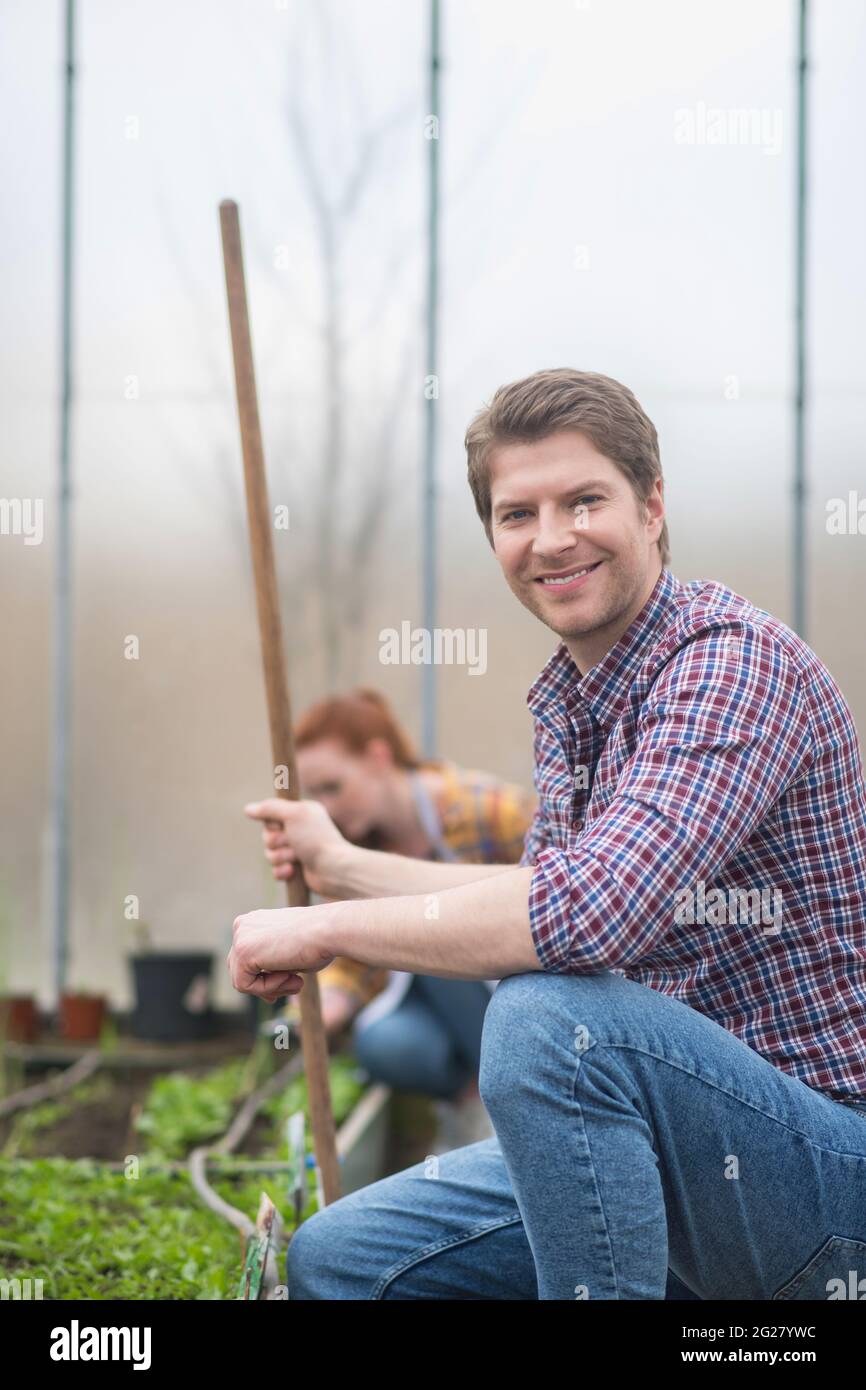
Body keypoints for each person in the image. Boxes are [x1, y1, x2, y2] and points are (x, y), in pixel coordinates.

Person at [228, 367, 866, 1300]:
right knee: (346, 1258)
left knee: (546, 1020)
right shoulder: (576, 699)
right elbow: (529, 899)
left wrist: (323, 931)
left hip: (823, 1180)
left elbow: (588, 915)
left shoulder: (732, 666)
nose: (551, 538)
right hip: (676, 1153)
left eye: (584, 500)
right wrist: (340, 866)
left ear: (652, 506)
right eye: (516, 513)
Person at [245, 688, 535, 1101]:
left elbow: (561, 892)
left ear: (378, 757)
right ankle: (481, 1101)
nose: (327, 807)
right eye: (316, 795)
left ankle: (513, 1096)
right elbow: (351, 955)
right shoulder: (355, 840)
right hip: (430, 1003)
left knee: (436, 929)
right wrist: (326, 1005)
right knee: (386, 1045)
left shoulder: (491, 810)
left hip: (509, 988)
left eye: (333, 787)